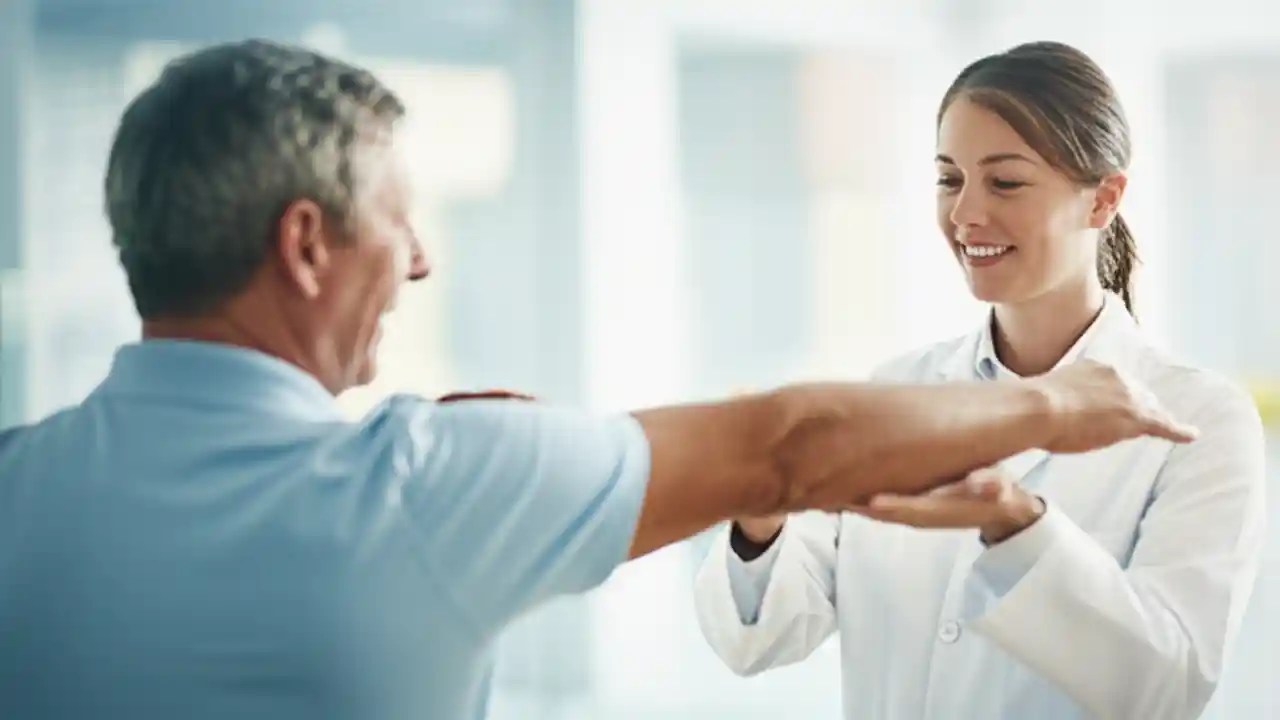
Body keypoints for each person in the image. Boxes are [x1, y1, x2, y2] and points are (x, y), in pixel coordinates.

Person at [0, 40, 1194, 720]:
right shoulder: (431, 482)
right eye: (397, 220)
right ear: (307, 245)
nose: (420, 258)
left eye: (1003, 181)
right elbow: (786, 442)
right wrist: (1057, 406)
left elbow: (1166, 677)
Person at [694, 41, 1267, 720]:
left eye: (1005, 182)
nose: (965, 214)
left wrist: (1016, 525)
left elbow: (1167, 687)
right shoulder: (896, 393)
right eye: (949, 179)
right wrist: (760, 516)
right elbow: (761, 639)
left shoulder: (1198, 419)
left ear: (1103, 199)